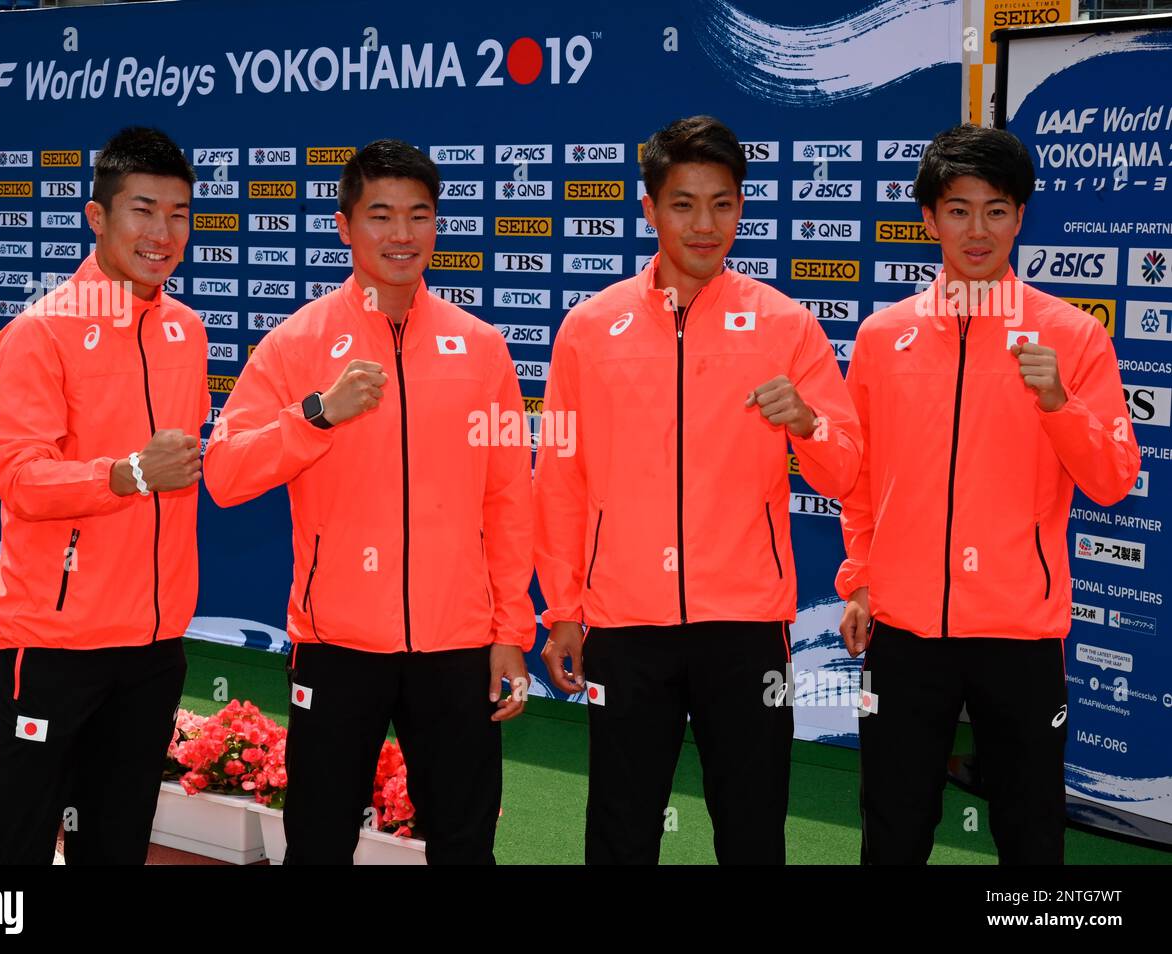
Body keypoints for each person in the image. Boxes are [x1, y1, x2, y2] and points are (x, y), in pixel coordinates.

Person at [533, 115, 862, 864]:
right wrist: (562, 611)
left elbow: (845, 473)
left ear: (743, 206)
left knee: (751, 830)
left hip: (746, 626)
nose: (705, 224)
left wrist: (808, 425)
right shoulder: (589, 329)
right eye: (683, 203)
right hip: (625, 622)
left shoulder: (787, 325)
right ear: (648, 208)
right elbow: (559, 480)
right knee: (620, 830)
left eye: (723, 203)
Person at [203, 139, 533, 865]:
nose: (401, 234)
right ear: (344, 225)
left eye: (419, 215)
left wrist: (509, 628)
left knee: (466, 843)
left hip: (458, 647)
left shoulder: (481, 349)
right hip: (336, 647)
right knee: (318, 842)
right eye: (380, 215)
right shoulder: (296, 345)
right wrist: (316, 413)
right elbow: (224, 474)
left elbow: (509, 498)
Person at [836, 123, 1140, 864]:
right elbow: (861, 478)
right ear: (930, 219)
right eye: (960, 209)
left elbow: (1112, 481)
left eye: (996, 209)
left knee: (1030, 835)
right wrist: (862, 579)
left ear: (1020, 217)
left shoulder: (1071, 335)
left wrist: (1060, 406)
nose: (978, 230)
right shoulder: (884, 335)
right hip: (905, 633)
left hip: (1020, 634)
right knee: (894, 828)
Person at [0, 127, 207, 864]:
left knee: (114, 848)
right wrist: (127, 473)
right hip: (54, 646)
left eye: (178, 213)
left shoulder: (188, 332)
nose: (162, 233)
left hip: (153, 645)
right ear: (97, 217)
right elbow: (19, 478)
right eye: (143, 210)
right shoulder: (39, 334)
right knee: (13, 851)